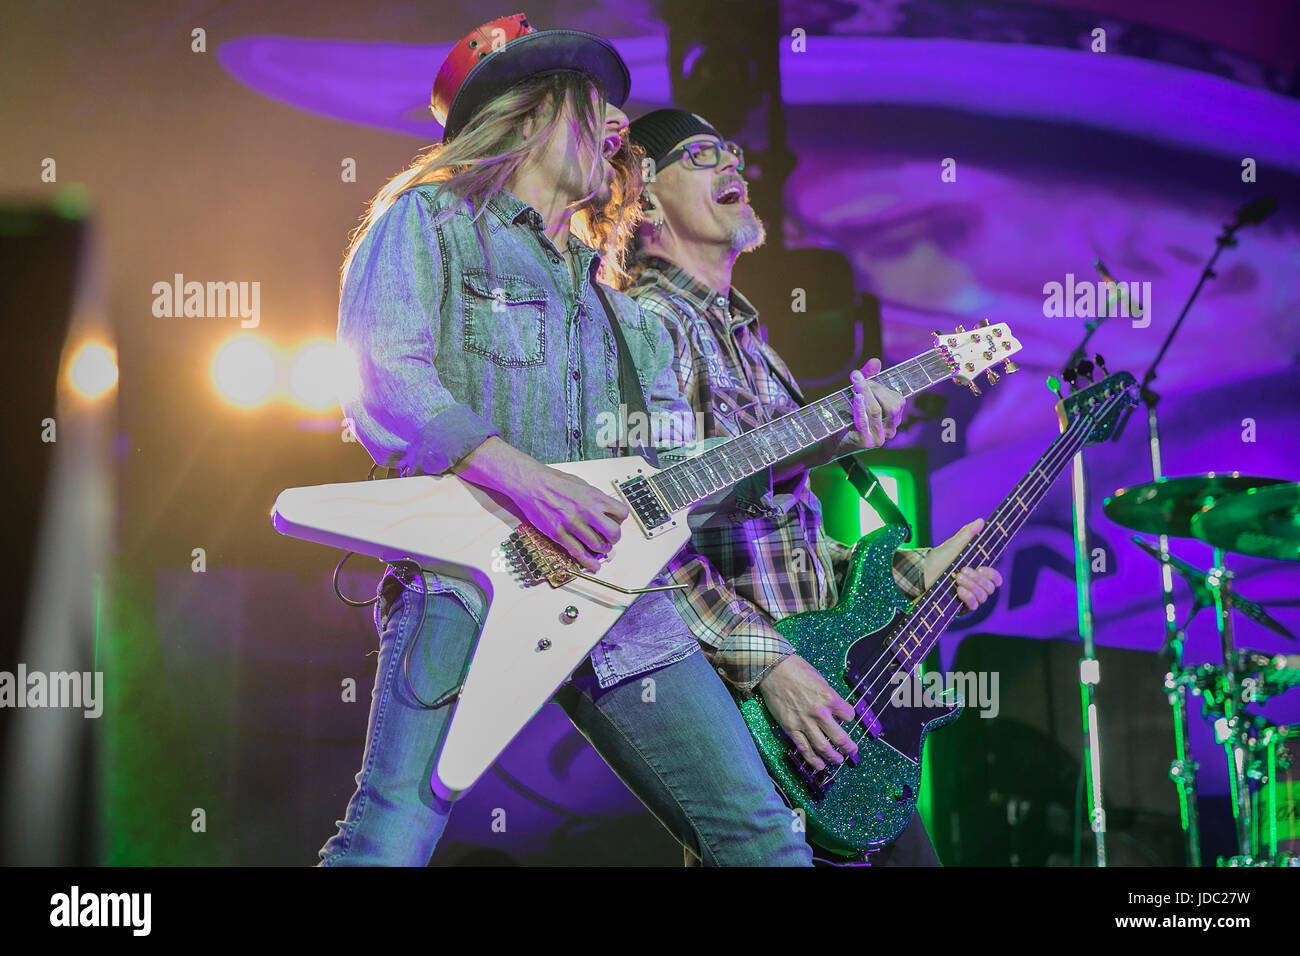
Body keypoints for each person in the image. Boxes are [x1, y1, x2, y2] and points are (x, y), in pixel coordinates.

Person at [322, 16, 817, 866]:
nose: (619, 124)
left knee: (765, 838)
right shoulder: (430, 221)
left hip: (622, 599)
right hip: (468, 582)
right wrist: (528, 481)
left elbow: (678, 474)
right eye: (595, 105)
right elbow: (385, 381)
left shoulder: (626, 315)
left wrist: (817, 443)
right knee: (389, 835)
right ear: (528, 112)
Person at [625, 109, 1004, 865]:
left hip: (833, 709)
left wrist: (913, 571)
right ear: (645, 193)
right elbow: (644, 544)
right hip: (759, 719)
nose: (732, 164)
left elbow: (792, 545)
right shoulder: (647, 326)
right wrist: (769, 664)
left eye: (732, 150)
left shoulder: (754, 346)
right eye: (701, 155)